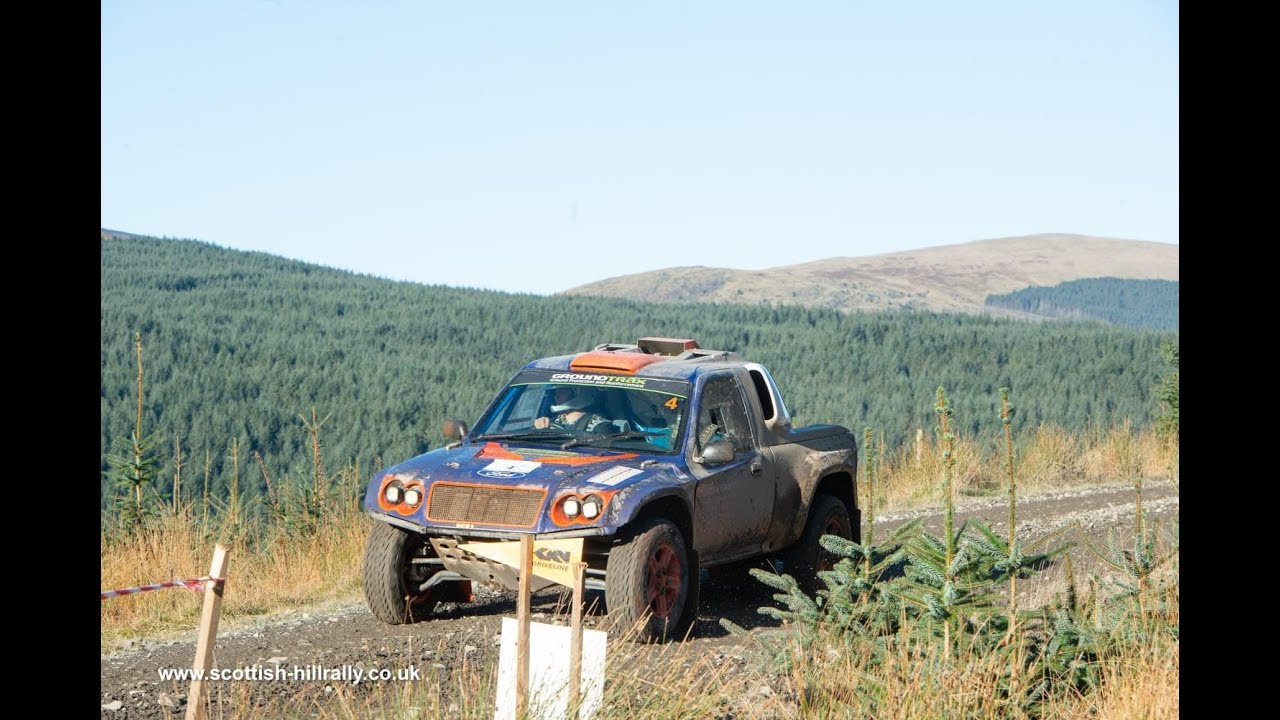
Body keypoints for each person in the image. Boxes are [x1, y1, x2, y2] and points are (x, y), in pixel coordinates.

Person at [534, 386, 611, 431]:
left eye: (561, 392)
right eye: (556, 393)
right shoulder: (551, 422)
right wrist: (539, 427)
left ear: (578, 395)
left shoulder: (600, 426)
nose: (556, 397)